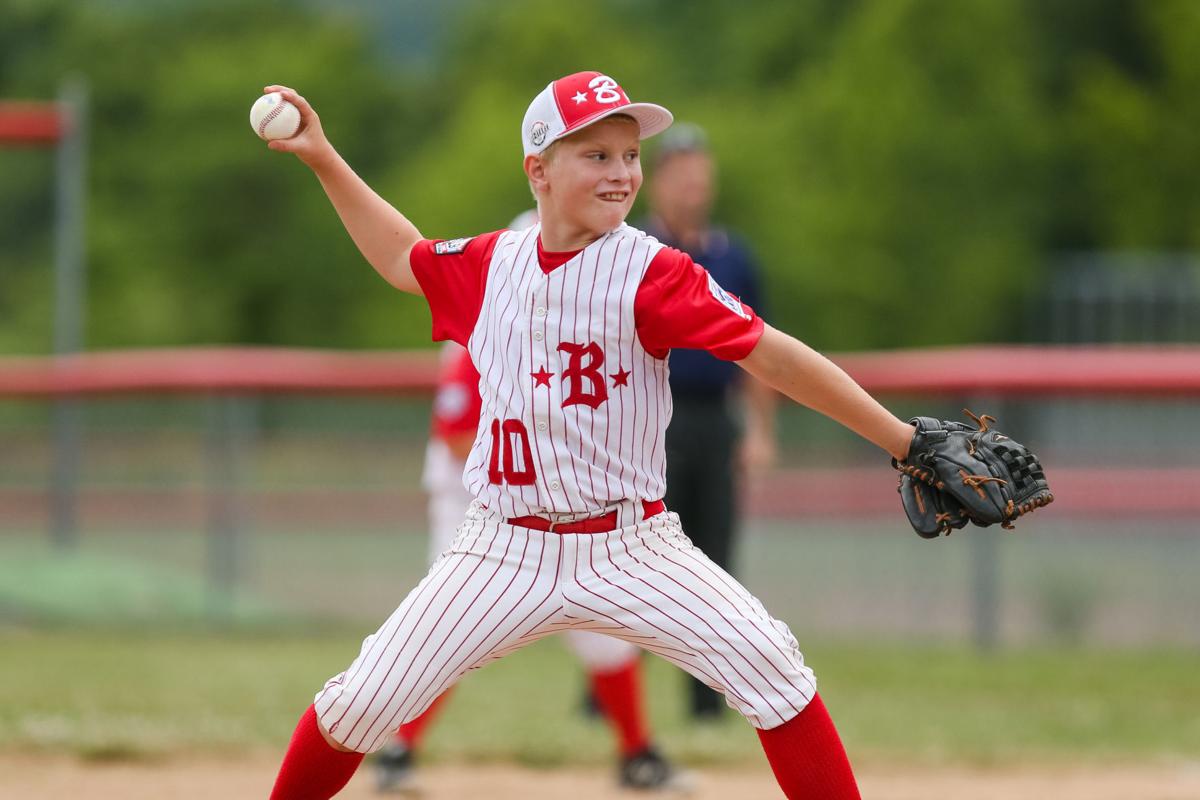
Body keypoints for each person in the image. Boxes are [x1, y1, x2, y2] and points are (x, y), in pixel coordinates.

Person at [262, 70, 917, 800]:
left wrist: (904, 441)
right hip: (501, 547)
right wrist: (322, 155)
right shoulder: (491, 264)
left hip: (632, 548)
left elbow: (768, 352)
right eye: (596, 155)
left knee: (775, 671)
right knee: (357, 703)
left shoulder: (652, 272)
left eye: (630, 154)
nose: (623, 172)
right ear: (538, 170)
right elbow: (400, 255)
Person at [373, 335, 688, 794]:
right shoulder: (486, 333)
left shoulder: (571, 330)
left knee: (600, 627)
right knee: (449, 627)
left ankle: (637, 754)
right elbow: (458, 437)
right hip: (474, 503)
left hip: (550, 505)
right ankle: (398, 752)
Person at [642, 123, 777, 720]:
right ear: (658, 181)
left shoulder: (732, 255)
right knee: (633, 560)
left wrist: (760, 430)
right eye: (682, 174)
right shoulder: (638, 250)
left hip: (711, 418)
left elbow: (762, 352)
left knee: (715, 559)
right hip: (647, 422)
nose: (694, 186)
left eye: (702, 175)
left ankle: (707, 703)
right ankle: (611, 699)